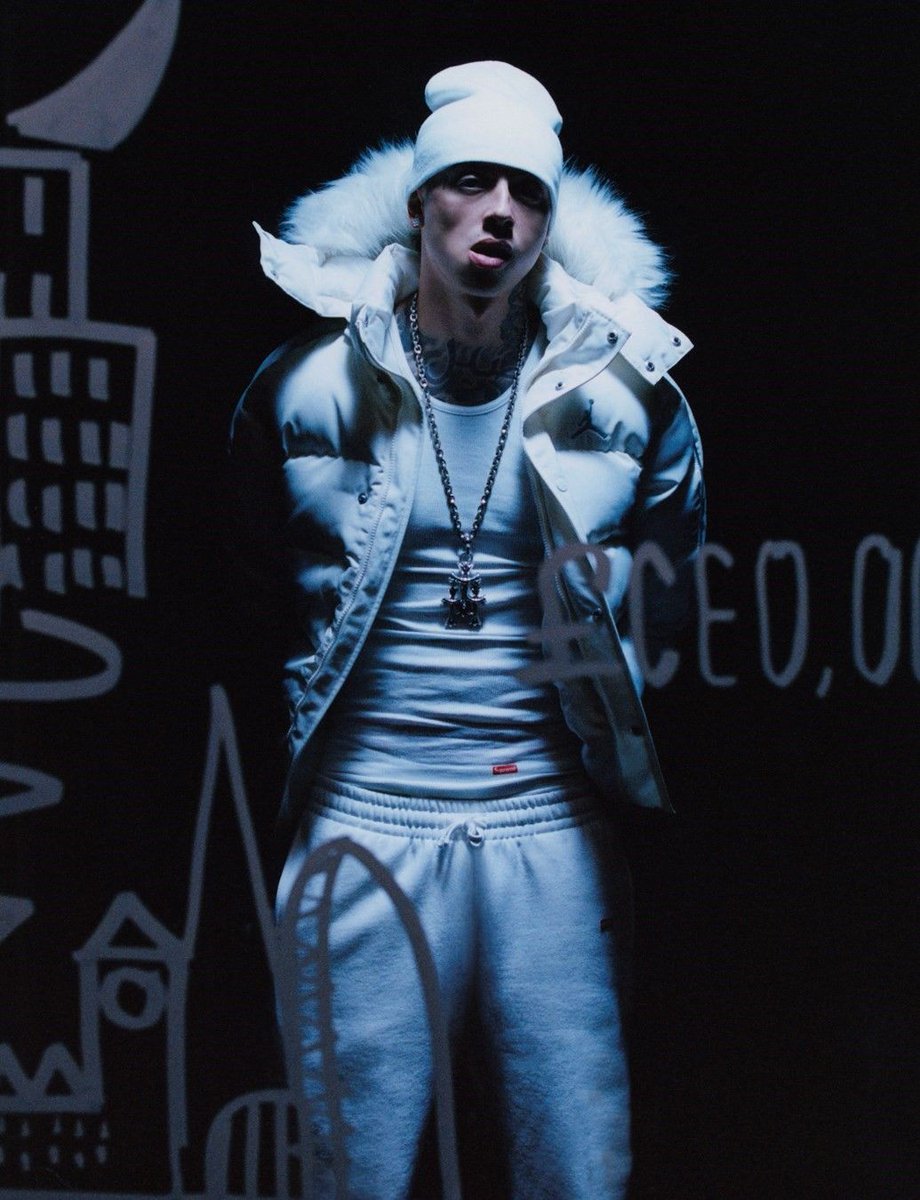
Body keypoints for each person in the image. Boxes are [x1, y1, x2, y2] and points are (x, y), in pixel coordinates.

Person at [231, 61, 703, 1200]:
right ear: (417, 200)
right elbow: (237, 579)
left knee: (577, 1172)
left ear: (550, 218)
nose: (499, 213)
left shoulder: (628, 397)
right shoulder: (300, 386)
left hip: (552, 829)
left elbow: (667, 592)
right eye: (470, 182)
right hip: (361, 821)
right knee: (348, 1173)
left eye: (527, 192)